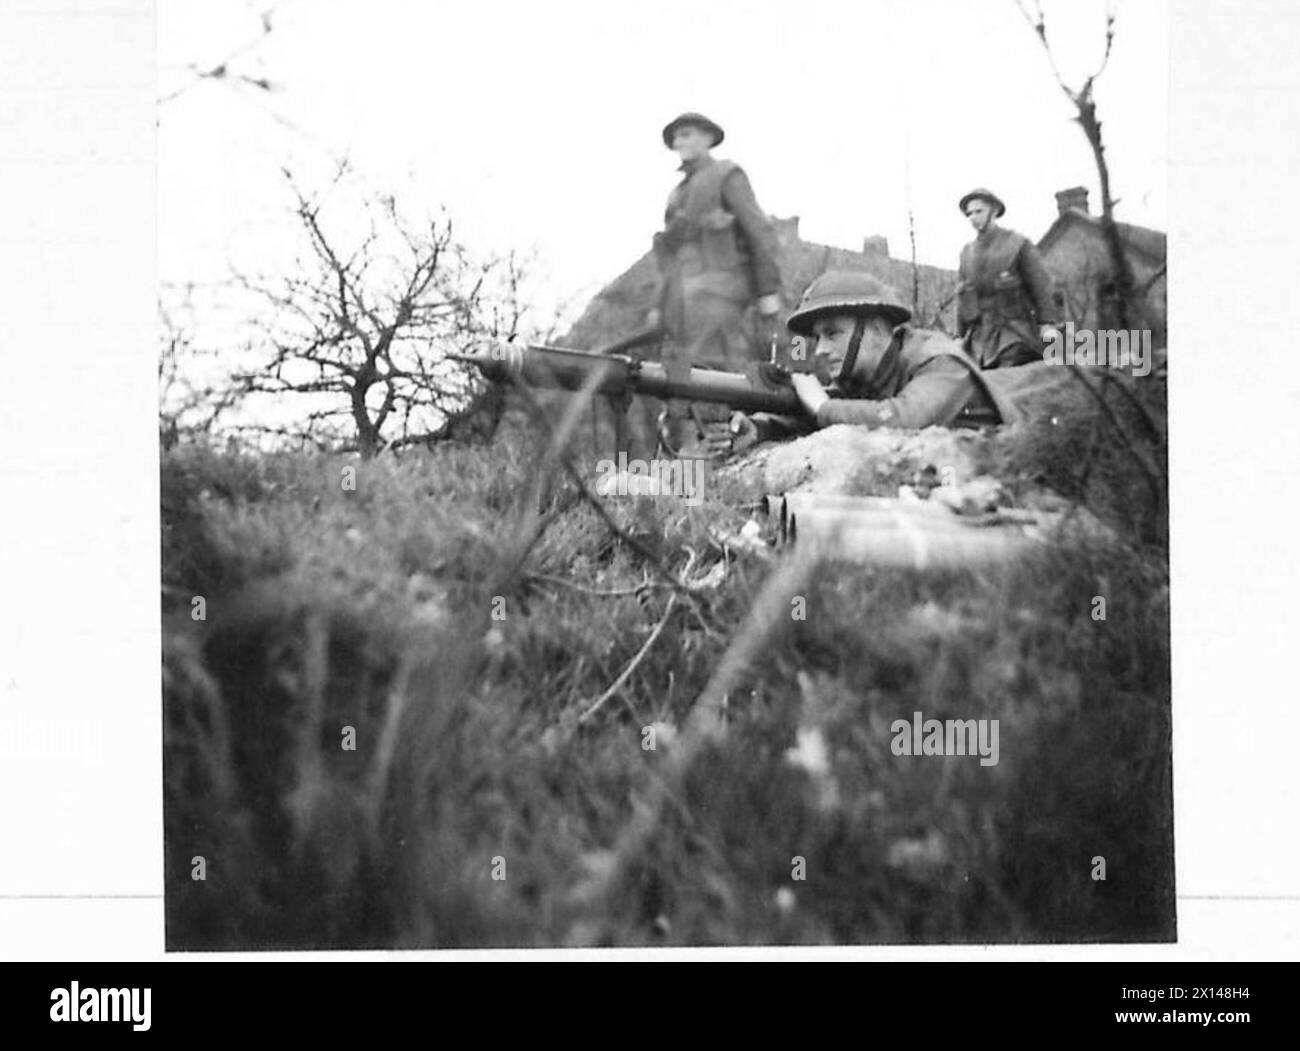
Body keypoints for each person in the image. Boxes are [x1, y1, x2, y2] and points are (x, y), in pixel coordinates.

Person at [738, 270, 1083, 442]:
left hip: (1066, 395)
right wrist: (762, 427)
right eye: (816, 338)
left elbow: (902, 419)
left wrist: (823, 406)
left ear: (874, 329)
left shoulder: (936, 359)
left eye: (832, 333)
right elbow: (840, 413)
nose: (821, 349)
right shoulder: (869, 375)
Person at [648, 112, 783, 457]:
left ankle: (714, 463)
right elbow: (668, 258)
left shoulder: (726, 175)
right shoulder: (677, 195)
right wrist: (656, 308)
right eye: (676, 137)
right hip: (682, 305)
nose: (681, 143)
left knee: (708, 376)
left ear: (708, 138)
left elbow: (759, 231)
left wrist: (768, 291)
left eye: (689, 134)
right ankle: (690, 464)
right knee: (680, 381)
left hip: (719, 294)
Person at [956, 188, 1059, 369]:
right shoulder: (967, 253)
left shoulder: (1017, 244)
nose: (973, 217)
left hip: (1014, 333)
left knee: (1010, 382)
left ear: (994, 211)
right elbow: (962, 297)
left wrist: (1047, 324)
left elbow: (1041, 287)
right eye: (969, 214)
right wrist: (959, 335)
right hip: (979, 340)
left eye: (978, 211)